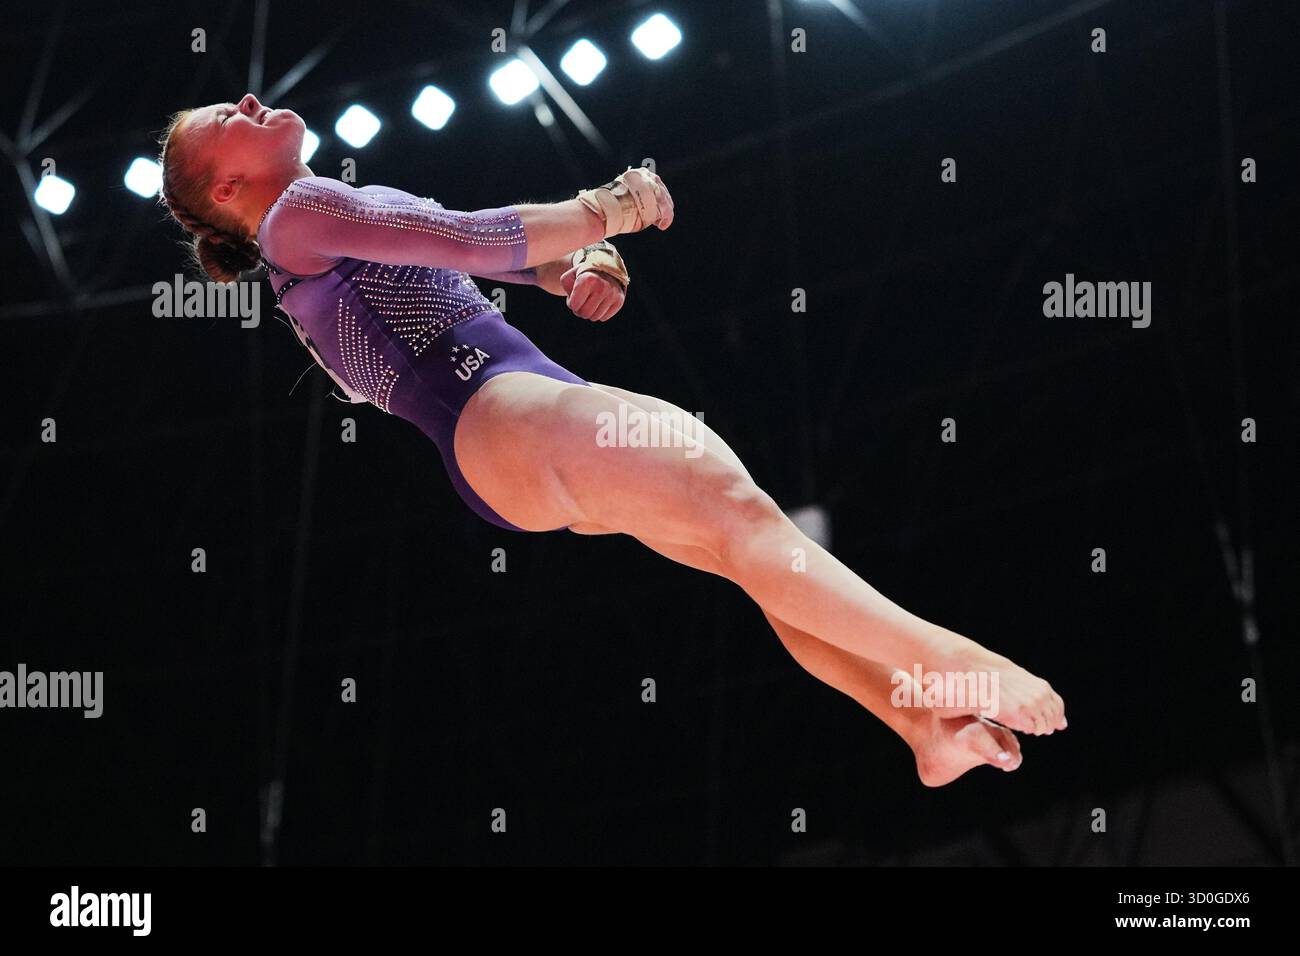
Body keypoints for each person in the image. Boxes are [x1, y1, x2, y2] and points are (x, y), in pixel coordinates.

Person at [157, 93, 1066, 786]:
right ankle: (948, 663)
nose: (250, 100)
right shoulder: (295, 216)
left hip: (507, 433)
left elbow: (485, 262)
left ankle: (919, 724)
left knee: (748, 548)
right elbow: (471, 241)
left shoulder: (310, 236)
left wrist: (581, 263)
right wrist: (609, 208)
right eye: (226, 119)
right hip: (498, 411)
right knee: (741, 516)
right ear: (228, 189)